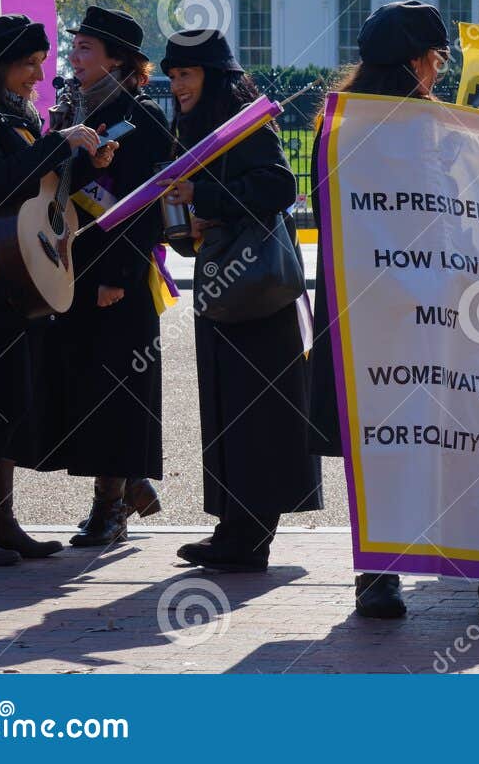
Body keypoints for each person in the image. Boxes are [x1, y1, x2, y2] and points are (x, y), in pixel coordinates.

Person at [308, 0, 479, 622]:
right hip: (445, 308)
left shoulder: (338, 125)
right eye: (437, 60)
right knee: (470, 431)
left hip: (369, 310)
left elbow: (332, 215)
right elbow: (472, 216)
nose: (439, 70)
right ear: (418, 62)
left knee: (383, 437)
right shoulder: (443, 128)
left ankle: (378, 580)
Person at [0, 13, 110, 565]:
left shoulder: (17, 114)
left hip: (17, 276)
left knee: (14, 403)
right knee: (4, 401)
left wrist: (85, 163)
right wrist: (58, 141)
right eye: (28, 64)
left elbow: (41, 191)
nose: (38, 75)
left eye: (40, 63)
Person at [160, 29, 321, 572]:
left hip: (259, 294)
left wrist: (202, 196)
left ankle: (251, 536)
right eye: (173, 75)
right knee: (227, 411)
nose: (177, 85)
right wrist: (186, 223)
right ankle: (233, 527)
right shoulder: (192, 126)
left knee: (258, 417)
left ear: (213, 76)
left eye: (186, 74)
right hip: (223, 287)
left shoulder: (244, 123)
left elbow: (279, 187)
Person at [30, 7, 171, 547]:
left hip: (117, 277)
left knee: (117, 391)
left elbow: (145, 206)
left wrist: (119, 274)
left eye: (86, 48)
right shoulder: (74, 110)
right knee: (82, 385)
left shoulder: (143, 118)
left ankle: (109, 509)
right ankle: (129, 482)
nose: (74, 57)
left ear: (118, 61)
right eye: (76, 46)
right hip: (69, 268)